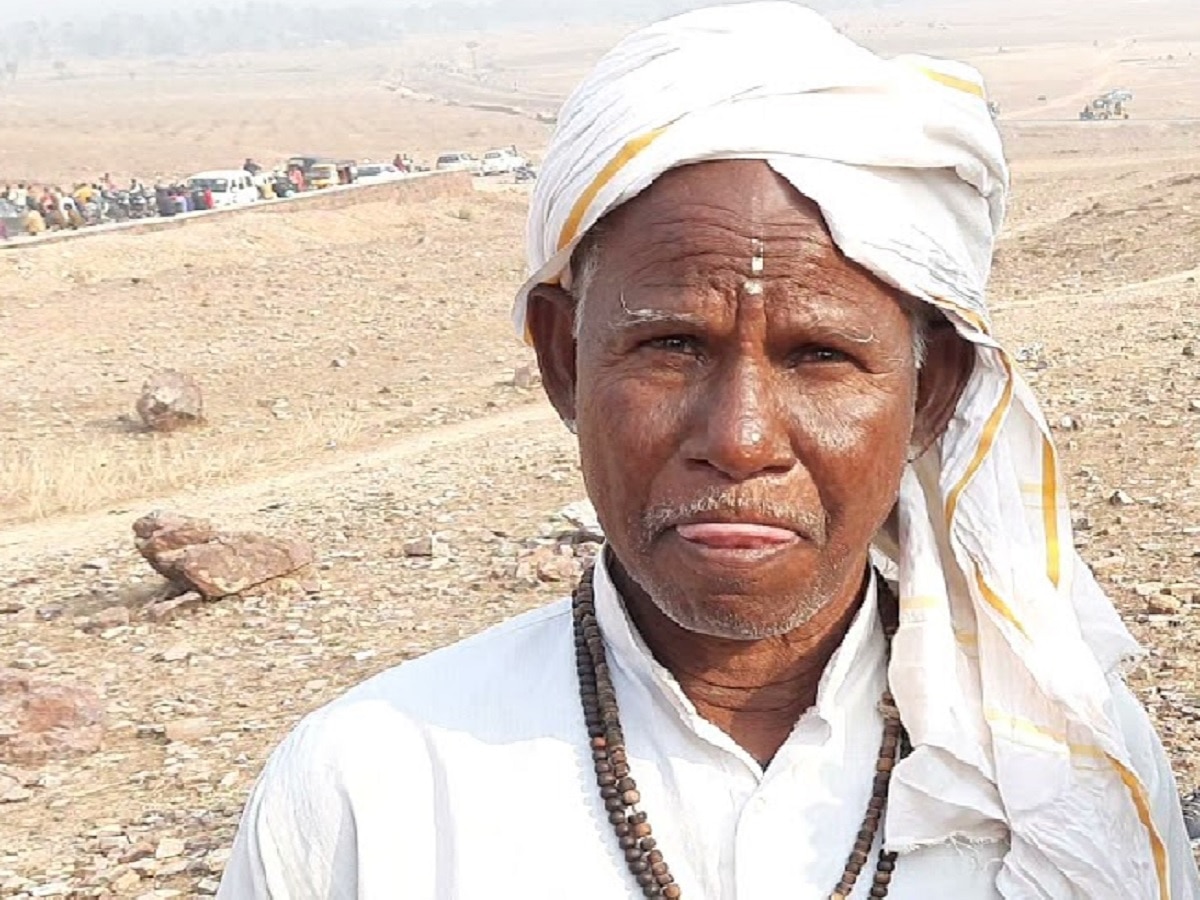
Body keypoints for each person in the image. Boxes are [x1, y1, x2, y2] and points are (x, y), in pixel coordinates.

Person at [217, 4, 1200, 899]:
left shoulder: (1063, 784)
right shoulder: (364, 793)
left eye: (820, 356)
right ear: (564, 360)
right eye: (672, 346)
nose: (740, 439)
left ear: (928, 392)